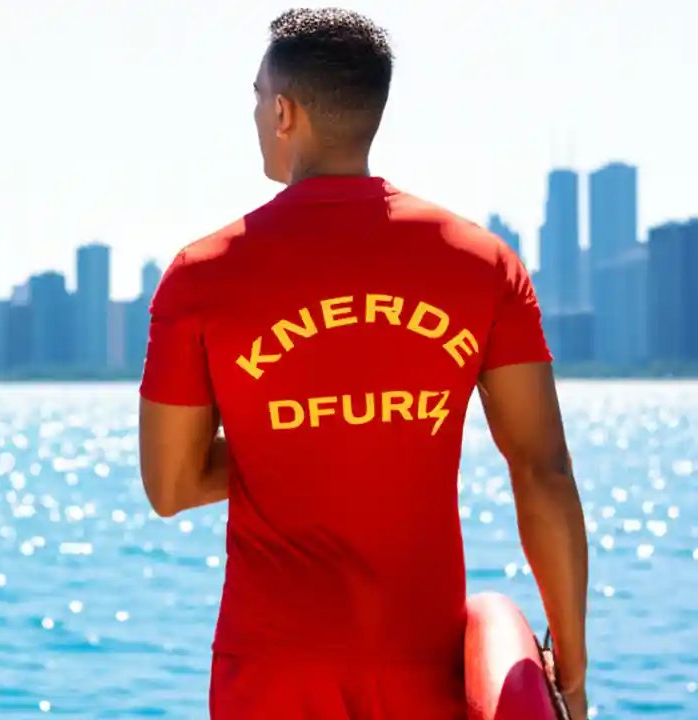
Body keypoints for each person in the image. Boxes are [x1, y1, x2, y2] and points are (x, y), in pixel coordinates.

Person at [137, 8, 589, 719]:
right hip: (422, 669)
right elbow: (544, 470)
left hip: (270, 674)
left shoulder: (202, 274)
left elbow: (171, 484)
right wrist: (572, 669)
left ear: (283, 112)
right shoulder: (482, 264)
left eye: (258, 97)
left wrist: (292, 434)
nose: (256, 114)